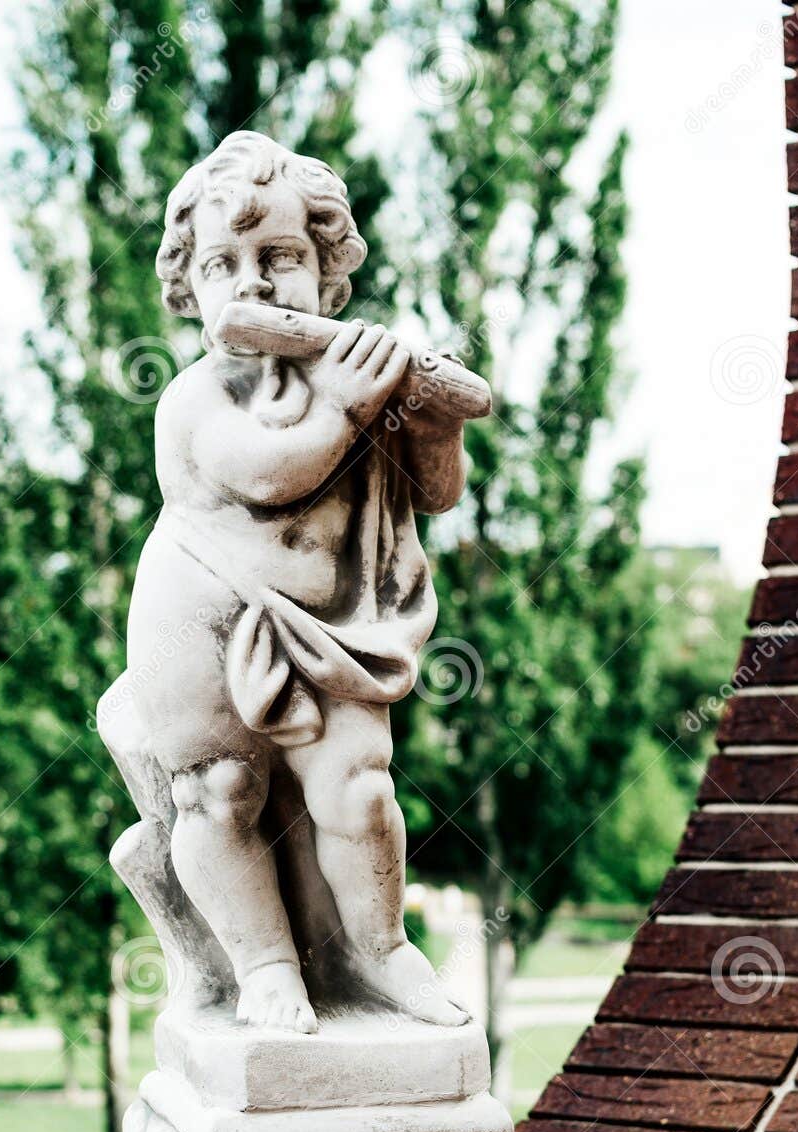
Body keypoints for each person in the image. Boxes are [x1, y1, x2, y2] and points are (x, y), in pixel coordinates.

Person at [119, 131, 470, 1034]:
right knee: (218, 794)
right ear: (187, 284)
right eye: (221, 263)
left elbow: (433, 492)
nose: (255, 283)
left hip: (331, 630)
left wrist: (430, 422)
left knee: (360, 788)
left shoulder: (352, 371)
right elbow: (270, 474)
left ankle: (383, 949)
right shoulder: (196, 395)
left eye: (280, 257)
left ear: (327, 270)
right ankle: (265, 968)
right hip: (197, 621)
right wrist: (350, 405)